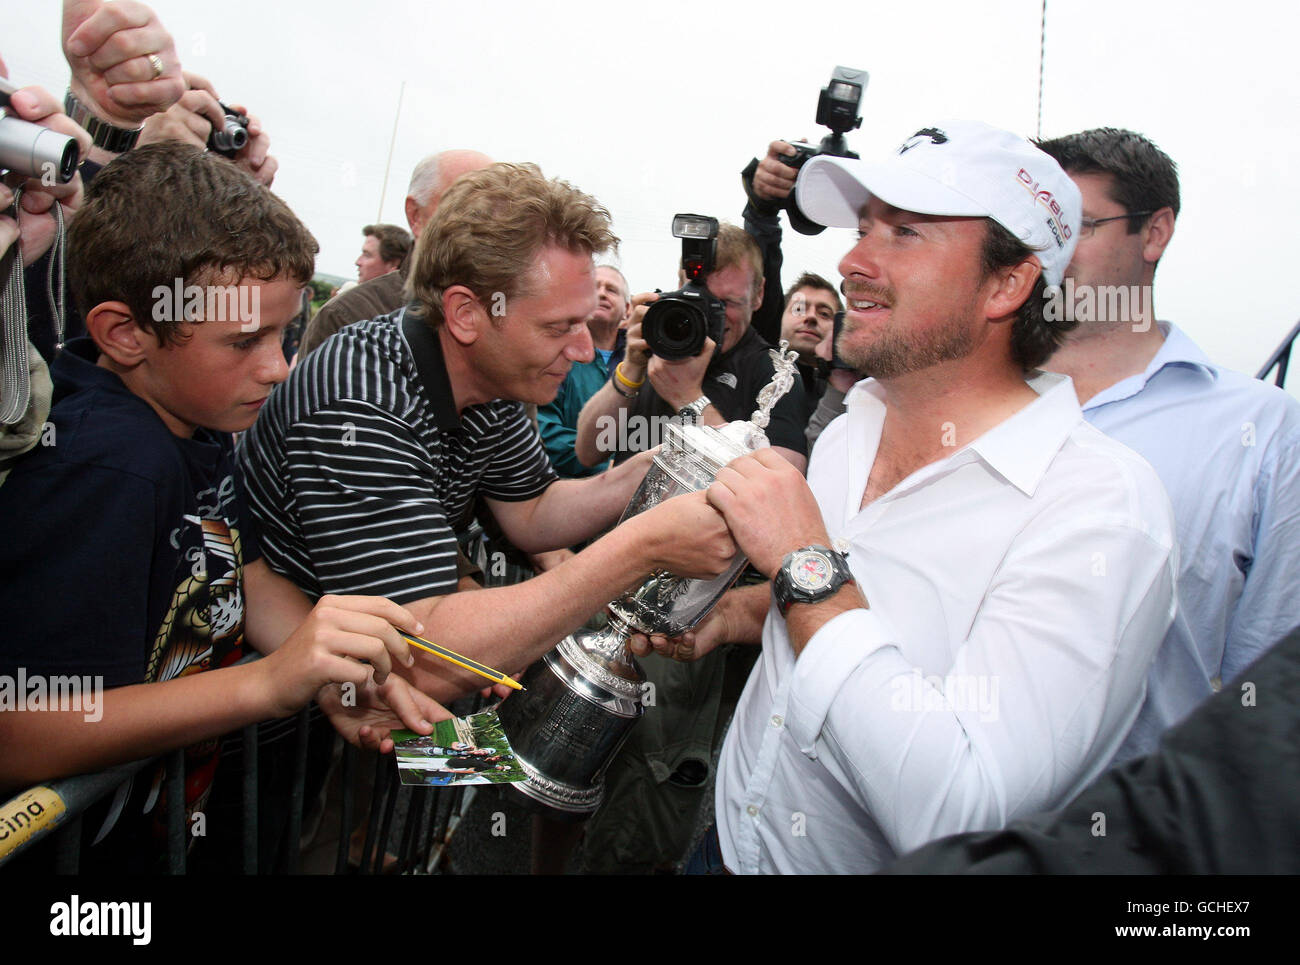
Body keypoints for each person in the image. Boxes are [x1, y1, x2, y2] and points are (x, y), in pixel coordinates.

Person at [640, 120, 1179, 874]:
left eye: (905, 233)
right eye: (864, 228)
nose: (854, 261)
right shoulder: (855, 424)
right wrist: (729, 615)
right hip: (722, 846)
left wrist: (804, 561)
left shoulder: (1100, 510)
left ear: (1007, 284)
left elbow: (962, 811)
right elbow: (874, 609)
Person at [0, 143, 446, 870]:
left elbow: (233, 565)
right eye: (244, 340)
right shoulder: (106, 466)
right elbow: (17, 733)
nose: (278, 366)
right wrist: (267, 684)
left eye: (286, 332)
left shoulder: (195, 422)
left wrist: (333, 673)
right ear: (124, 332)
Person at [238, 161, 737, 706]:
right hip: (264, 715)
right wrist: (638, 549)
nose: (581, 350)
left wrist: (664, 464)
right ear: (466, 314)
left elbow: (531, 510)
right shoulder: (360, 402)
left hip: (353, 699)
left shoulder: (493, 381)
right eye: (557, 327)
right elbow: (427, 654)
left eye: (581, 321)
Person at [1035, 128, 1300, 762]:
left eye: (1080, 226)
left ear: (1154, 233)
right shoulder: (954, 404)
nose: (1051, 252)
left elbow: (1267, 669)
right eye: (1039, 228)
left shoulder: (1264, 433)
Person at [296, 149, 492, 358]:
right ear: (416, 215)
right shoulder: (349, 317)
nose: (483, 224)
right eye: (464, 207)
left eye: (494, 210)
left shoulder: (506, 312)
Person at [536, 264, 630, 477]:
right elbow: (545, 431)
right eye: (594, 287)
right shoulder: (554, 356)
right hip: (570, 491)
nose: (602, 293)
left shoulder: (645, 363)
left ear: (628, 308)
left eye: (611, 289)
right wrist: (611, 467)